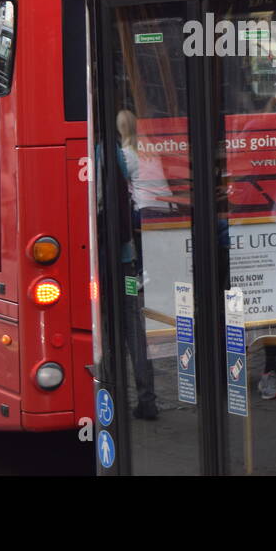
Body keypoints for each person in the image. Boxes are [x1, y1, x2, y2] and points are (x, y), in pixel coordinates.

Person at [114, 109, 159, 420]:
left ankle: (110, 397)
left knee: (107, 333)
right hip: (126, 255)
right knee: (134, 330)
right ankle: (147, 397)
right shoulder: (145, 150)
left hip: (107, 256)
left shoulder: (117, 153)